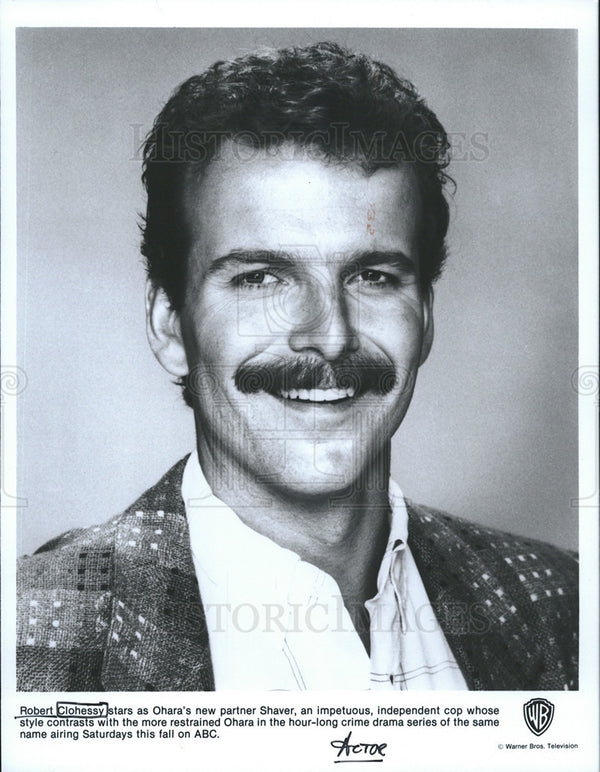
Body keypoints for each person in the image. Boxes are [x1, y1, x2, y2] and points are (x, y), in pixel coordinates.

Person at [17, 42, 578, 692]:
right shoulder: (37, 638)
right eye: (262, 278)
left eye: (371, 276)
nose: (329, 337)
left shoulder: (562, 605)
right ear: (171, 324)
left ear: (425, 316)